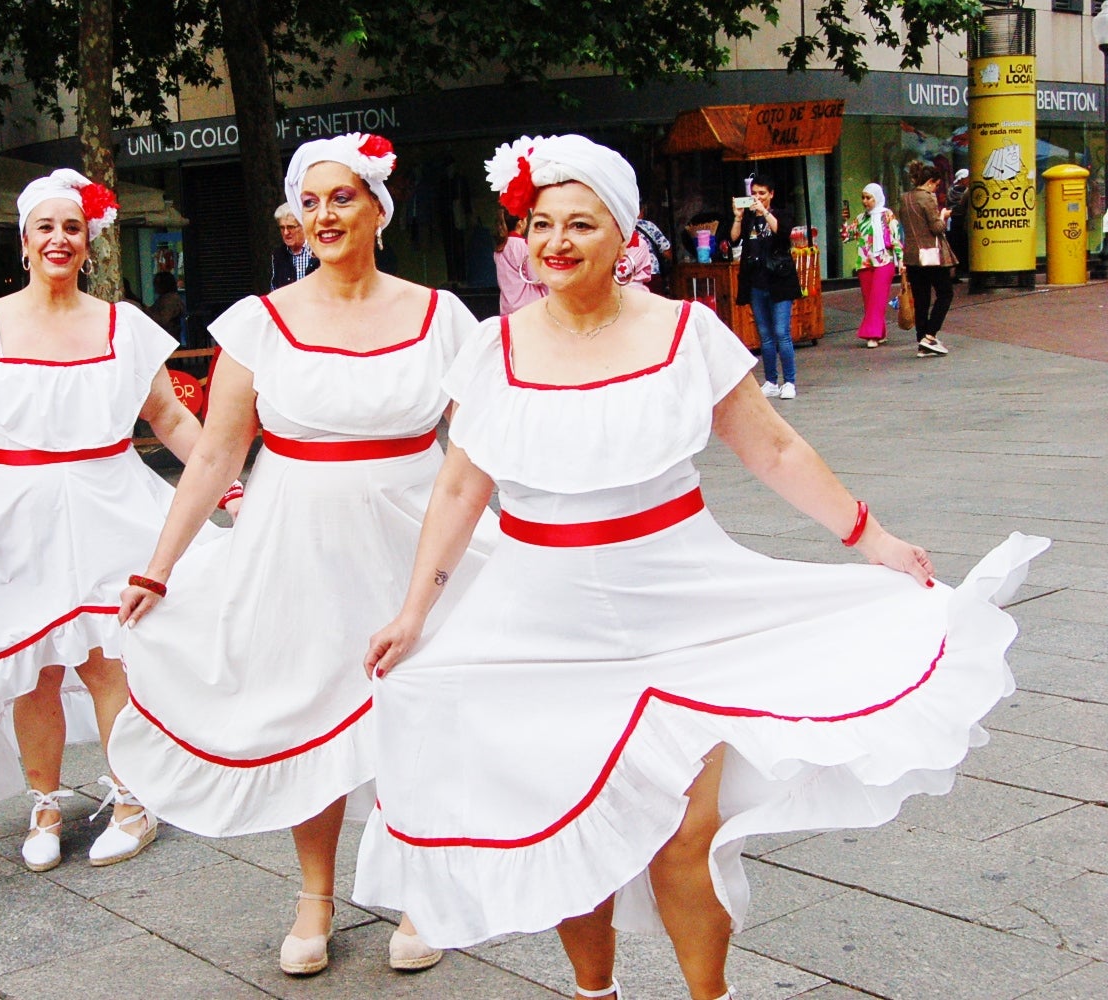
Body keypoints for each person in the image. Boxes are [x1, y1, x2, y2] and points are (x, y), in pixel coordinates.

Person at [353, 133, 1048, 1000]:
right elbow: (458, 491)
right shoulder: (492, 348)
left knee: (685, 839)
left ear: (625, 234)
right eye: (540, 225)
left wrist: (872, 538)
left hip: (681, 605)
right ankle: (593, 991)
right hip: (537, 621)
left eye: (581, 223)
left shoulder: (685, 330)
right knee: (567, 831)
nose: (557, 242)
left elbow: (775, 447)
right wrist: (417, 611)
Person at [109, 133, 492, 978]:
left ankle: (418, 890)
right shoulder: (260, 322)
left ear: (379, 211)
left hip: (410, 533)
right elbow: (214, 453)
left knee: (413, 716)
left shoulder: (442, 317)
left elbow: (478, 452)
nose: (323, 215)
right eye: (310, 202)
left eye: (342, 198)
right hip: (297, 539)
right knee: (307, 709)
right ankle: (314, 896)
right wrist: (159, 564)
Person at [0, 169, 218, 874]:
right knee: (30, 665)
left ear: (87, 243)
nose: (59, 239)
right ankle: (46, 801)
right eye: (45, 228)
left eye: (71, 228)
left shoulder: (123, 325)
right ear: (24, 242)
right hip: (8, 509)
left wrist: (229, 490)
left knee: (104, 659)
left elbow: (171, 416)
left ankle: (131, 797)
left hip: (107, 501)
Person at [730, 173, 802, 399]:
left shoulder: (781, 214)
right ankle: (771, 380)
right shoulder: (749, 218)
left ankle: (789, 381)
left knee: (782, 333)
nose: (757, 198)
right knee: (765, 335)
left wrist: (766, 212)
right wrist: (738, 217)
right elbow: (734, 239)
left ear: (771, 194)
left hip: (780, 281)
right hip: (756, 282)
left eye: (762, 193)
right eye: (754, 194)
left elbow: (783, 233)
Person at [896, 160, 957, 358]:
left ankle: (922, 342)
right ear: (931, 181)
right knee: (945, 293)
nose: (936, 188)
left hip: (912, 255)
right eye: (937, 185)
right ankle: (930, 336)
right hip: (931, 254)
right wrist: (943, 215)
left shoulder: (904, 198)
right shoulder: (928, 198)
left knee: (921, 299)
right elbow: (936, 227)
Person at [840, 183, 903, 348]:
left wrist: (901, 260)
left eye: (869, 198)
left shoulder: (887, 215)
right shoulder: (860, 218)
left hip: (883, 262)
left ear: (877, 198)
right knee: (869, 300)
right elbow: (847, 237)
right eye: (863, 198)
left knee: (877, 298)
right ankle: (880, 332)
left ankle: (871, 335)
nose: (865, 201)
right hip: (864, 263)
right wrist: (844, 221)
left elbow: (896, 239)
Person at [494, 208, 546, 314]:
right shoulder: (523, 245)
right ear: (520, 223)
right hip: (528, 307)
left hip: (507, 307)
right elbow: (535, 278)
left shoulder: (500, 248)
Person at [271, 202, 319, 288]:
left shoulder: (318, 251)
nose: (286, 232)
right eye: (282, 228)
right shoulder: (279, 255)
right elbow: (275, 288)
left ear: (303, 226)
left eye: (291, 227)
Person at [146, 270, 186, 340]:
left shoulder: (170, 300)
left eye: (157, 283)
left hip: (168, 338)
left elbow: (163, 320)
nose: (155, 286)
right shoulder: (165, 298)